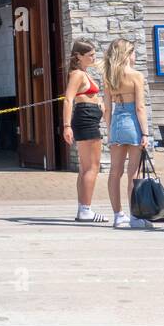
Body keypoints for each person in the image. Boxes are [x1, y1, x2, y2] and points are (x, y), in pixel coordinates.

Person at [102, 38, 153, 229]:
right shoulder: (136, 76)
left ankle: (117, 215)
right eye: (132, 52)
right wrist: (145, 133)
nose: (135, 55)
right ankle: (135, 217)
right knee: (134, 172)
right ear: (126, 54)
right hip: (132, 123)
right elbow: (140, 107)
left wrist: (109, 132)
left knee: (115, 172)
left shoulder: (108, 76)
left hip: (116, 122)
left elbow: (107, 109)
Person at [61, 39, 107, 223]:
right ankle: (86, 209)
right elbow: (68, 100)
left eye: (94, 54)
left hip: (88, 117)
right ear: (78, 56)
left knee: (85, 167)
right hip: (85, 119)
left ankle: (83, 208)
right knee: (92, 167)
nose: (93, 58)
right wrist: (66, 126)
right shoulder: (77, 74)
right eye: (90, 55)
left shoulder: (84, 73)